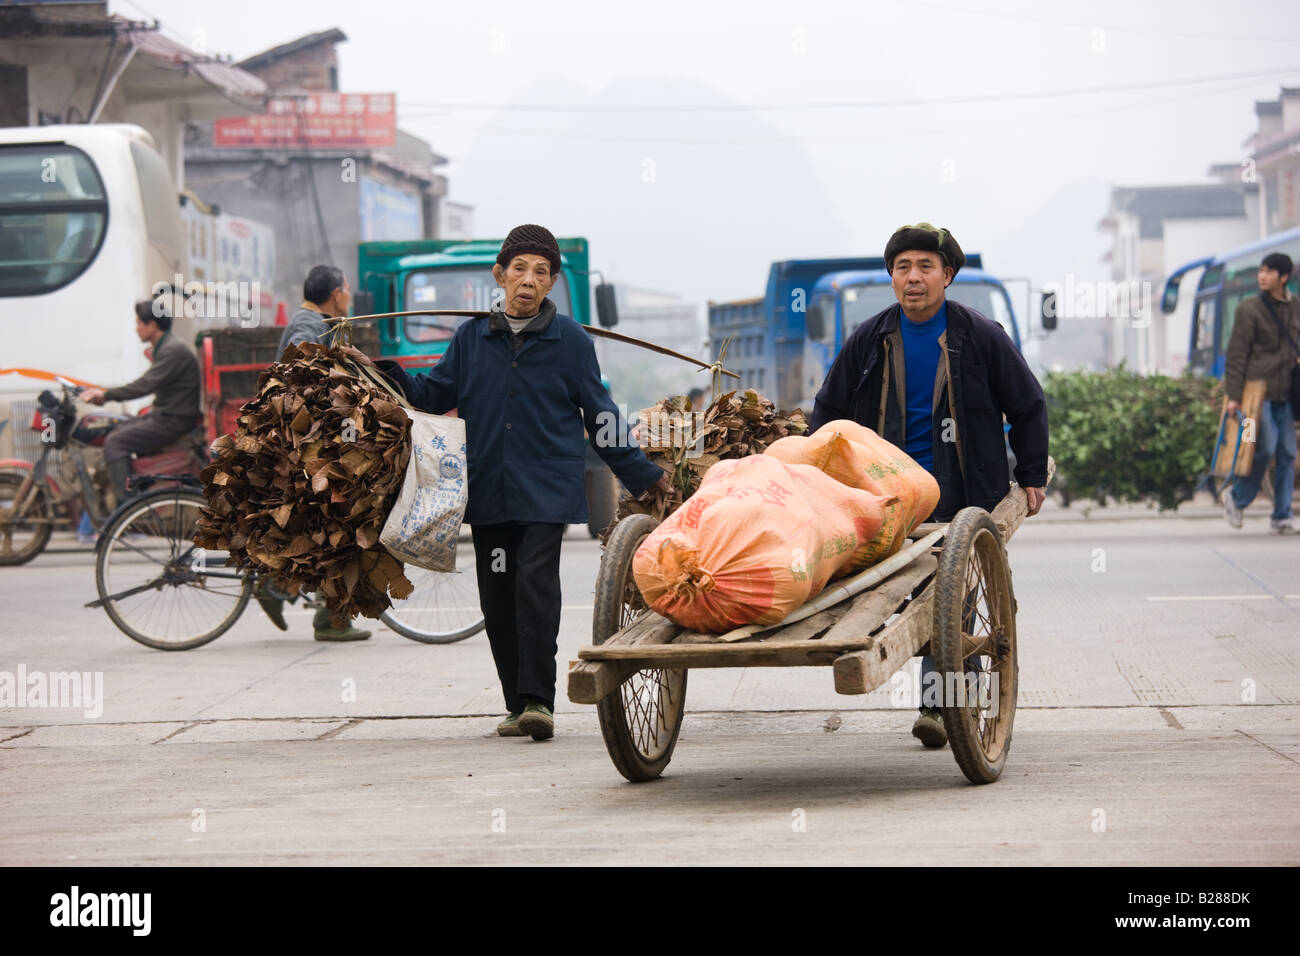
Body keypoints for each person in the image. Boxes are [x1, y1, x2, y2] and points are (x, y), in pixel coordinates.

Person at [373, 224, 672, 741]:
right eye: (519, 270)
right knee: (497, 596)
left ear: (551, 283)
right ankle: (516, 703)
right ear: (500, 276)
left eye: (540, 272)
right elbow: (430, 392)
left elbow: (600, 415)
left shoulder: (571, 342)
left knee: (535, 588)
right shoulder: (471, 339)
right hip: (489, 491)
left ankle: (539, 700)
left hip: (545, 492)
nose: (528, 281)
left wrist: (642, 476)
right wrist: (383, 373)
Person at [809, 223, 1049, 749]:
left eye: (924, 267)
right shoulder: (870, 339)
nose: (913, 278)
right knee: (898, 594)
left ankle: (939, 708)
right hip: (887, 497)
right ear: (891, 278)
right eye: (903, 268)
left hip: (962, 494)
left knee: (950, 598)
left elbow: (1027, 404)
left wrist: (1031, 473)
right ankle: (934, 692)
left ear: (947, 275)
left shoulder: (981, 336)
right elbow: (827, 410)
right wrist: (813, 473)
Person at [263, 264, 371, 641]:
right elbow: (300, 384)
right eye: (348, 290)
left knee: (328, 524)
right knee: (340, 519)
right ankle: (300, 601)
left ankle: (299, 599)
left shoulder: (312, 321)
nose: (349, 297)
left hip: (307, 441)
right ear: (338, 292)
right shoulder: (309, 327)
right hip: (306, 445)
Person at [81, 300, 201, 505]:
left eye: (139, 324)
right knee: (115, 427)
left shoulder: (172, 350)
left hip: (173, 420)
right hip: (164, 415)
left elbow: (144, 385)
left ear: (152, 325)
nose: (136, 329)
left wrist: (105, 395)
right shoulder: (166, 347)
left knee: (115, 442)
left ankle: (128, 506)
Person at [1222, 251, 1299, 534]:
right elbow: (1236, 355)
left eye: (1269, 271)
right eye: (1261, 271)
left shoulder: (1295, 308)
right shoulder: (1248, 309)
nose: (1262, 276)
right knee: (1261, 448)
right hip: (1254, 399)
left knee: (1288, 453)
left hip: (1284, 396)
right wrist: (1234, 396)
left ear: (1284, 277)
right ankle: (1237, 497)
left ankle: (1281, 515)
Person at [277, 265, 352, 356]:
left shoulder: (321, 320)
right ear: (337, 294)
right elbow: (298, 358)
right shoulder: (308, 321)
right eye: (348, 289)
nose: (350, 296)